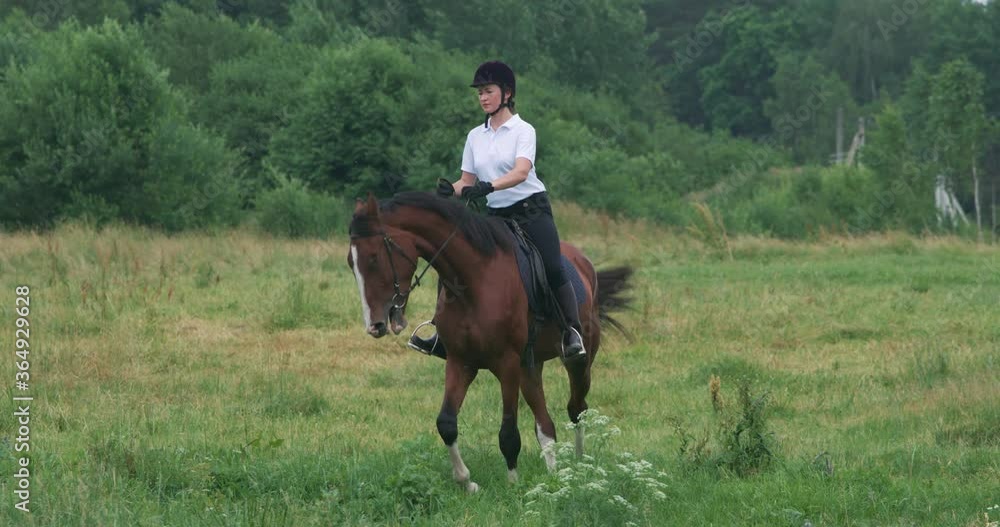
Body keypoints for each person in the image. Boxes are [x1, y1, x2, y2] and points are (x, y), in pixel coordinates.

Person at [408, 60, 586, 361]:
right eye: (479, 92)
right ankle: (441, 332)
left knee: (552, 265)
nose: (482, 97)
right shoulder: (475, 136)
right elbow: (466, 181)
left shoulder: (523, 131)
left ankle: (572, 331)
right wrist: (448, 190)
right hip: (497, 216)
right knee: (453, 255)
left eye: (488, 91)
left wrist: (488, 187)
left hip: (531, 210)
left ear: (506, 94)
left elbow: (520, 172)